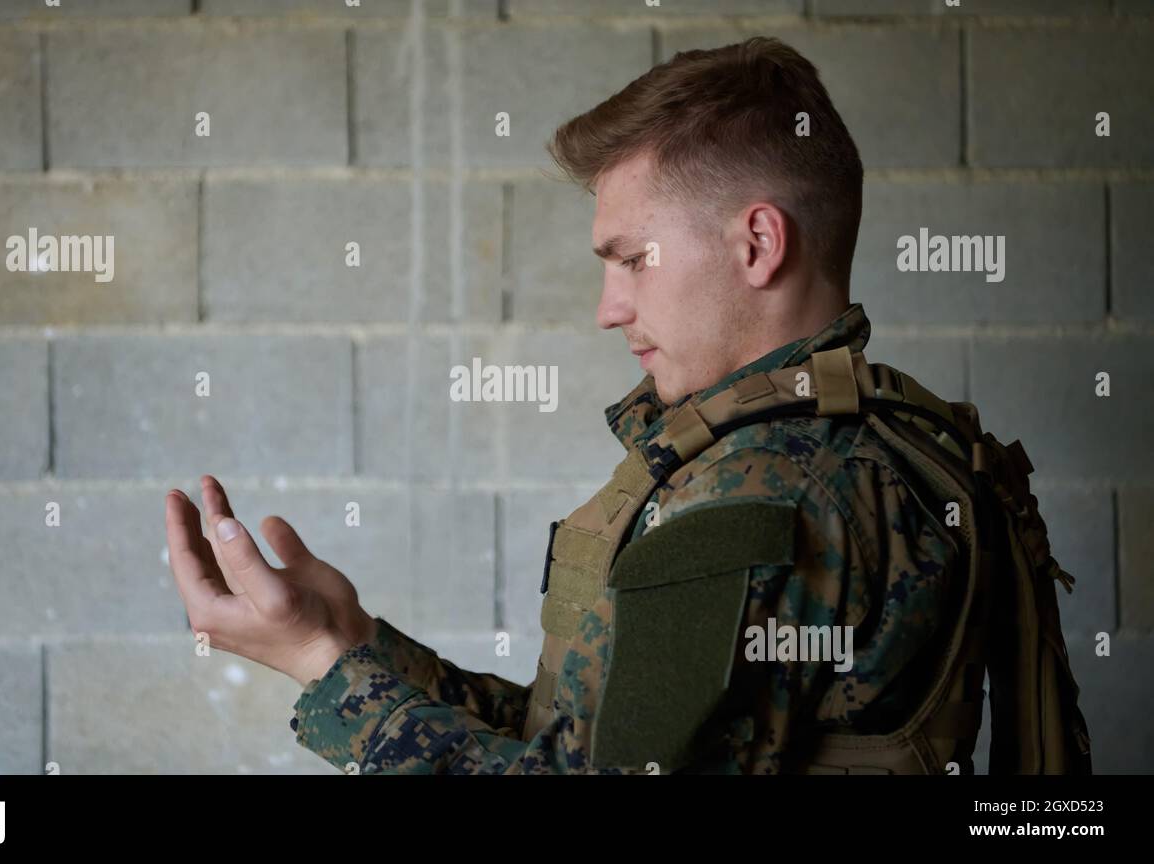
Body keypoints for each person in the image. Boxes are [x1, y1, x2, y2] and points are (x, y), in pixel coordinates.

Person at [164, 37, 1082, 774]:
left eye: (630, 258)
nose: (609, 308)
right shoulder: (872, 448)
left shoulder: (762, 497)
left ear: (758, 243)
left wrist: (319, 670)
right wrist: (351, 639)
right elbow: (574, 738)